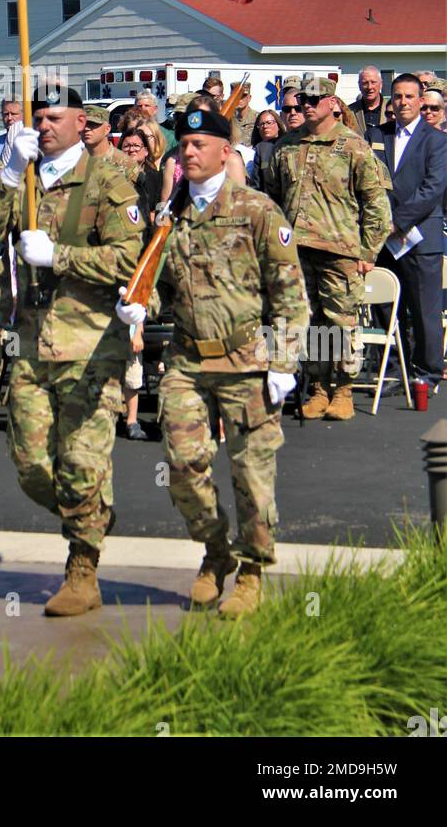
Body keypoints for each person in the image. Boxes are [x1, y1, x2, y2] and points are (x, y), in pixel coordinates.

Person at [0, 84, 144, 616]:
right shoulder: (21, 179)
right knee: (29, 465)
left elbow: (130, 262)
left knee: (79, 461)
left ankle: (82, 569)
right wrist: (5, 174)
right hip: (30, 345)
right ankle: (90, 512)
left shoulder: (107, 183)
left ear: (81, 124)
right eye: (37, 118)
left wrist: (60, 257)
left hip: (89, 345)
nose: (43, 126)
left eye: (53, 118)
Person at [141, 103, 308, 617]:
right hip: (188, 360)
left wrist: (284, 361)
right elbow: (160, 286)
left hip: (246, 360)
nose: (187, 152)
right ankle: (216, 551)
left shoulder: (256, 209)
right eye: (183, 146)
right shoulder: (172, 215)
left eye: (198, 145)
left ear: (222, 152)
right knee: (183, 463)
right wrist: (136, 305)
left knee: (251, 472)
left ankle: (253, 570)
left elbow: (290, 294)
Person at [264, 78, 391, 422]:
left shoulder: (352, 146)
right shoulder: (288, 144)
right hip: (296, 251)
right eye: (303, 98)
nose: (306, 104)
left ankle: (343, 390)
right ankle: (319, 388)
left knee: (341, 324)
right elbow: (273, 197)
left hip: (340, 251)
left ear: (331, 101)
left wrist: (368, 252)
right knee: (311, 323)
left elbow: (376, 204)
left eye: (314, 99)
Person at [372, 75, 447, 395]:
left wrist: (397, 221)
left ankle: (427, 372)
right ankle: (391, 369)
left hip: (420, 236)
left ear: (420, 101)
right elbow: (368, 180)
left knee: (424, 308)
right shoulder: (376, 135)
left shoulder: (437, 140)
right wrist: (381, 222)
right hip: (383, 239)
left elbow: (433, 188)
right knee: (386, 309)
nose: (403, 102)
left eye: (409, 97)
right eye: (398, 96)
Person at [86, 112, 149, 444]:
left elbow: (142, 207)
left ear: (107, 130)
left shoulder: (126, 165)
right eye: (83, 125)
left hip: (121, 255)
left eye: (93, 126)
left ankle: (129, 416)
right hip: (87, 258)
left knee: (127, 346)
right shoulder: (75, 164)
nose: (86, 131)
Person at [248, 110, 287, 192]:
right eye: (261, 124)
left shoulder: (288, 144)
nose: (265, 126)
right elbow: (256, 183)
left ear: (278, 125)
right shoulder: (259, 149)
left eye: (269, 122)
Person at [349, 67, 389, 144]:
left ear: (381, 84)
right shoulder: (349, 111)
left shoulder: (392, 110)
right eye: (365, 83)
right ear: (359, 86)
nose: (369, 87)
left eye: (373, 82)